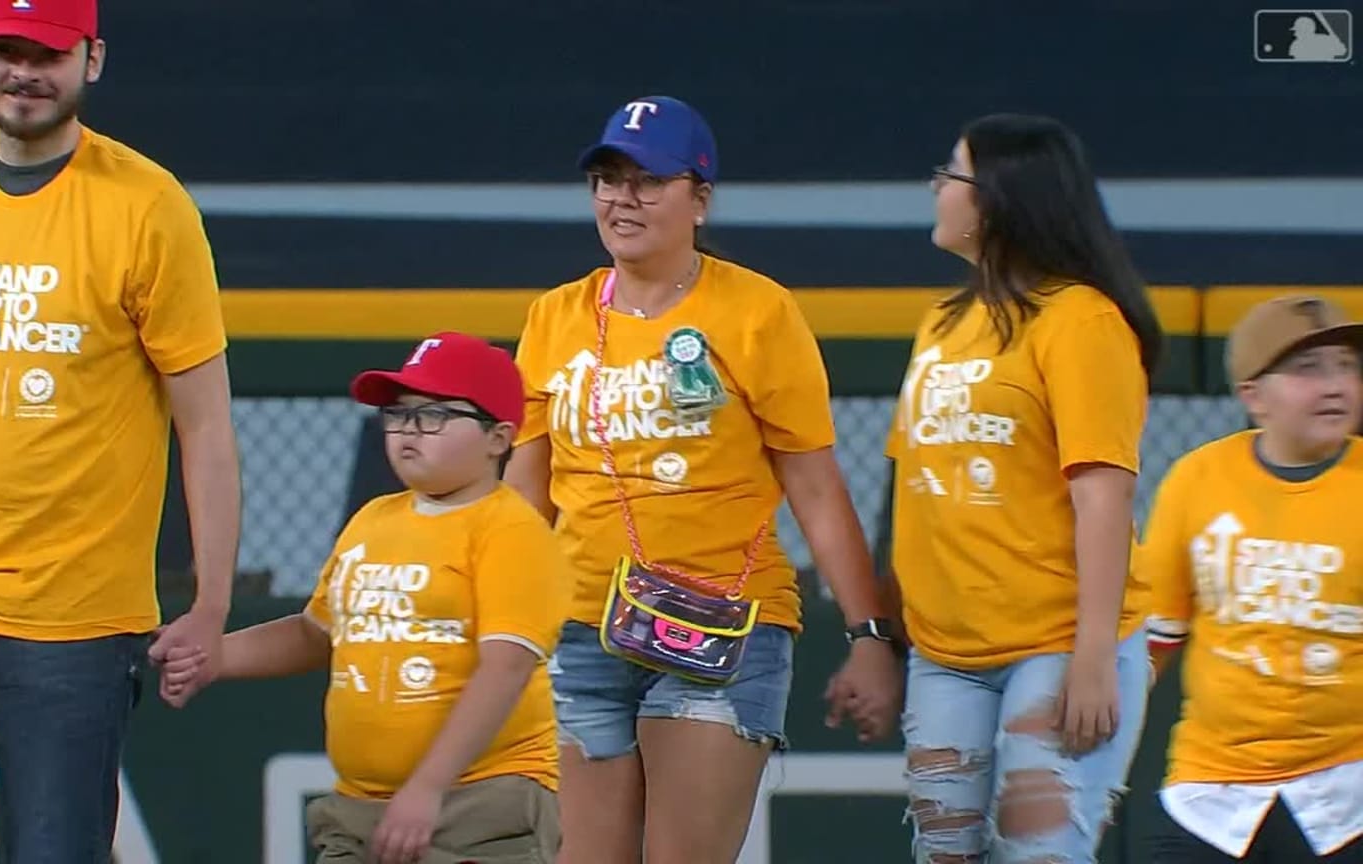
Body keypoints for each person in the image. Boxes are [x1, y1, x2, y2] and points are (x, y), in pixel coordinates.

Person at [0, 0, 242, 859]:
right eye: (7, 50)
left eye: (48, 53)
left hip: (74, 623)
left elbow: (204, 424)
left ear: (92, 60)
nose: (26, 71)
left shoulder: (145, 204)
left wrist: (210, 605)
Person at [504, 95, 902, 864]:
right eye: (607, 179)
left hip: (724, 624)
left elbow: (816, 488)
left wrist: (868, 635)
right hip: (581, 631)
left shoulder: (757, 311)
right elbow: (527, 493)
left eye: (648, 180)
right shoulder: (554, 316)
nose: (623, 198)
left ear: (701, 197)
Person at [163, 332, 571, 864]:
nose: (408, 431)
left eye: (434, 416)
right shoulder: (375, 519)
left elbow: (506, 669)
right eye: (398, 415)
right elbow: (316, 633)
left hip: (478, 800)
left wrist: (428, 788)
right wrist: (213, 658)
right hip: (359, 809)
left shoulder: (510, 530)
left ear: (498, 437)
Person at [885, 113, 1164, 862]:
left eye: (952, 172)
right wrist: (881, 635)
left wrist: (1095, 657)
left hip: (1056, 644)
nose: (937, 187)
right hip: (944, 653)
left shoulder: (1082, 321)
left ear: (1002, 197)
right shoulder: (943, 323)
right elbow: (908, 482)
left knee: (1039, 855)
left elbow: (1102, 494)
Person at [1141, 296, 1363, 863]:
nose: (1335, 384)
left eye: (1346, 364)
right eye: (1308, 368)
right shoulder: (1198, 479)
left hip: (1347, 793)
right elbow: (1153, 634)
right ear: (1253, 396)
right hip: (1209, 792)